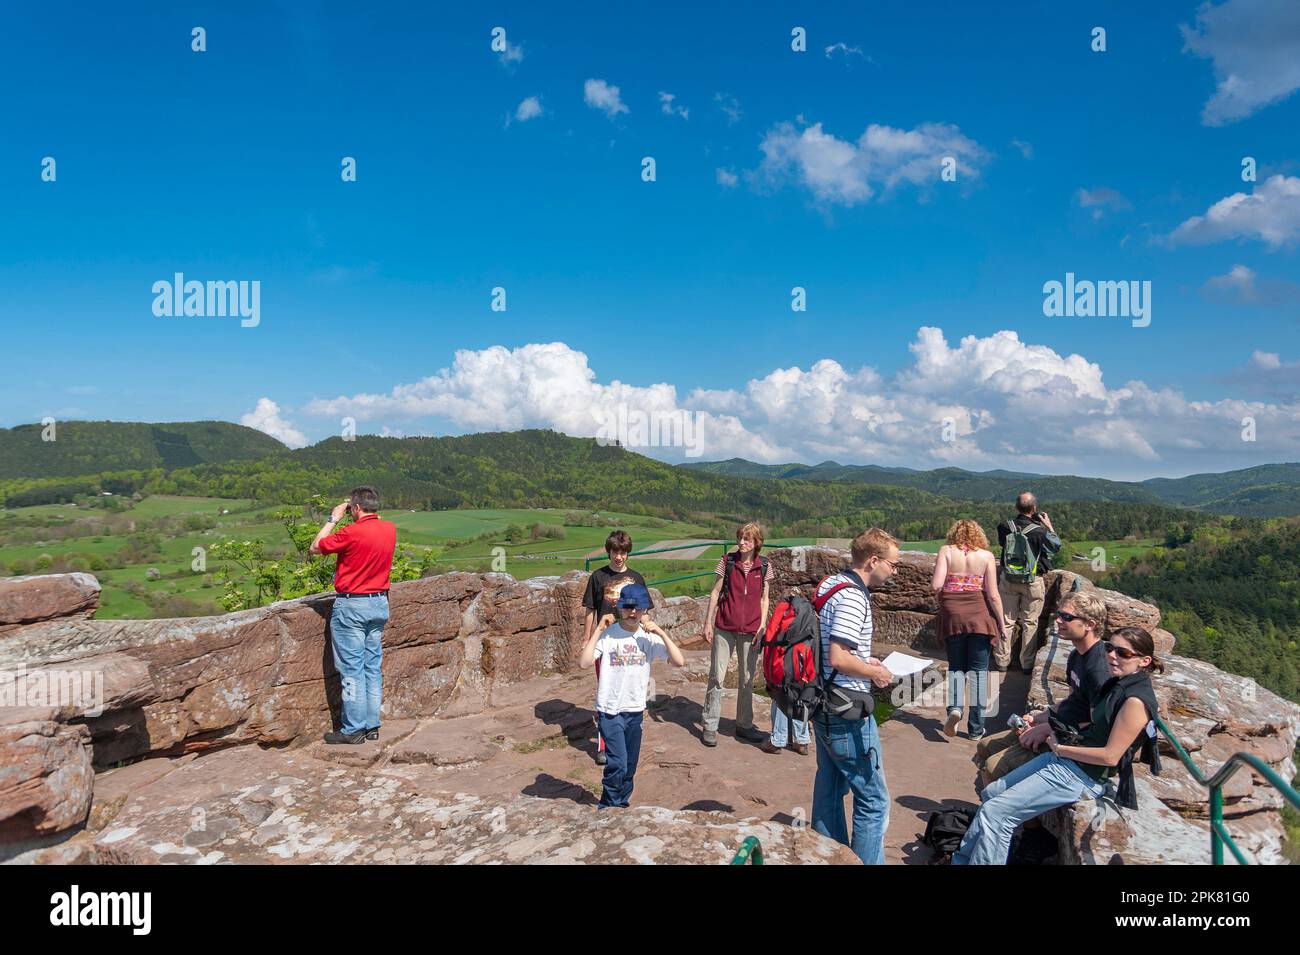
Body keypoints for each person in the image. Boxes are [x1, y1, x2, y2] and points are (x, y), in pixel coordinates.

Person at [953, 626, 1162, 865]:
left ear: (1144, 661)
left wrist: (1060, 748)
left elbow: (1111, 756)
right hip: (1067, 761)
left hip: (1082, 775)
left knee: (996, 813)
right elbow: (1092, 724)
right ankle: (960, 860)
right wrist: (1050, 726)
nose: (1112, 655)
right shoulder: (1118, 683)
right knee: (992, 794)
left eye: (1123, 653)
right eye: (1109, 648)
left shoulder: (1135, 701)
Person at [811, 528, 900, 865]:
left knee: (830, 787)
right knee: (873, 800)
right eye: (892, 564)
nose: (894, 571)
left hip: (822, 700)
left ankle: (827, 856)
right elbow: (838, 657)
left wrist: (866, 660)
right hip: (845, 707)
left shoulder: (831, 585)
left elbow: (833, 652)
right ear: (873, 560)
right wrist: (876, 672)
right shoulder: (853, 597)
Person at [975, 590, 1112, 785]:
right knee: (985, 745)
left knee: (993, 768)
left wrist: (1047, 730)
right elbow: (1073, 701)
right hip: (1057, 726)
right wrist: (1038, 718)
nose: (1058, 621)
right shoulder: (1077, 656)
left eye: (1067, 617)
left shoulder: (1099, 669)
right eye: (1058, 615)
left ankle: (998, 809)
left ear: (1090, 625)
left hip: (1069, 740)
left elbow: (1097, 724)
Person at [578, 583, 685, 808]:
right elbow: (584, 662)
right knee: (617, 763)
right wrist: (598, 629)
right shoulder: (609, 636)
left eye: (639, 608)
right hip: (610, 709)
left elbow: (678, 661)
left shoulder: (648, 638)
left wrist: (661, 632)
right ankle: (608, 804)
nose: (633, 613)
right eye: (628, 608)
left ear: (645, 610)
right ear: (619, 608)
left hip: (635, 709)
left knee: (630, 765)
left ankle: (622, 803)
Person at [309, 486, 397, 744]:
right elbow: (375, 525)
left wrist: (333, 519)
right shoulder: (389, 529)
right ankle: (372, 725)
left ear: (355, 508)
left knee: (351, 670)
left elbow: (315, 547)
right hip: (379, 604)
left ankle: (352, 730)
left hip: (352, 607)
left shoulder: (350, 531)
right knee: (372, 666)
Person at [931, 520, 1006, 741]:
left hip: (953, 617)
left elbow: (936, 585)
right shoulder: (986, 556)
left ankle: (954, 708)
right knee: (979, 674)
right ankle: (975, 729)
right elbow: (993, 595)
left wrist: (946, 599)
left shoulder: (946, 551)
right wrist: (1001, 624)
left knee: (956, 668)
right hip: (980, 618)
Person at [702, 522, 772, 748]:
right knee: (717, 676)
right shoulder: (727, 562)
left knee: (747, 679)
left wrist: (762, 626)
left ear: (756, 542)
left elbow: (765, 598)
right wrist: (708, 623)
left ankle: (744, 725)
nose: (741, 543)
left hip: (751, 630)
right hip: (724, 627)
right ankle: (710, 725)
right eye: (740, 538)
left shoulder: (765, 566)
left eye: (747, 539)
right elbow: (714, 593)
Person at [580, 530, 647, 765]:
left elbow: (645, 611)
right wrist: (587, 637)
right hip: (605, 642)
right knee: (606, 691)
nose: (619, 557)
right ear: (608, 551)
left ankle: (626, 738)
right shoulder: (598, 577)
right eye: (615, 552)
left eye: (623, 552)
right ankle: (604, 743)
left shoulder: (637, 578)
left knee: (629, 690)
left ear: (628, 553)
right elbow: (590, 609)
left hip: (630, 642)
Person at [995, 493, 1062, 673]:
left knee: (1006, 621)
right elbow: (1054, 547)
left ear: (1016, 508)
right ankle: (1027, 663)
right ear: (1034, 509)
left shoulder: (1004, 526)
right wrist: (1049, 526)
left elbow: (1003, 544)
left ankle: (1002, 661)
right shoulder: (1040, 532)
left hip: (1008, 579)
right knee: (1030, 623)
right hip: (1033, 580)